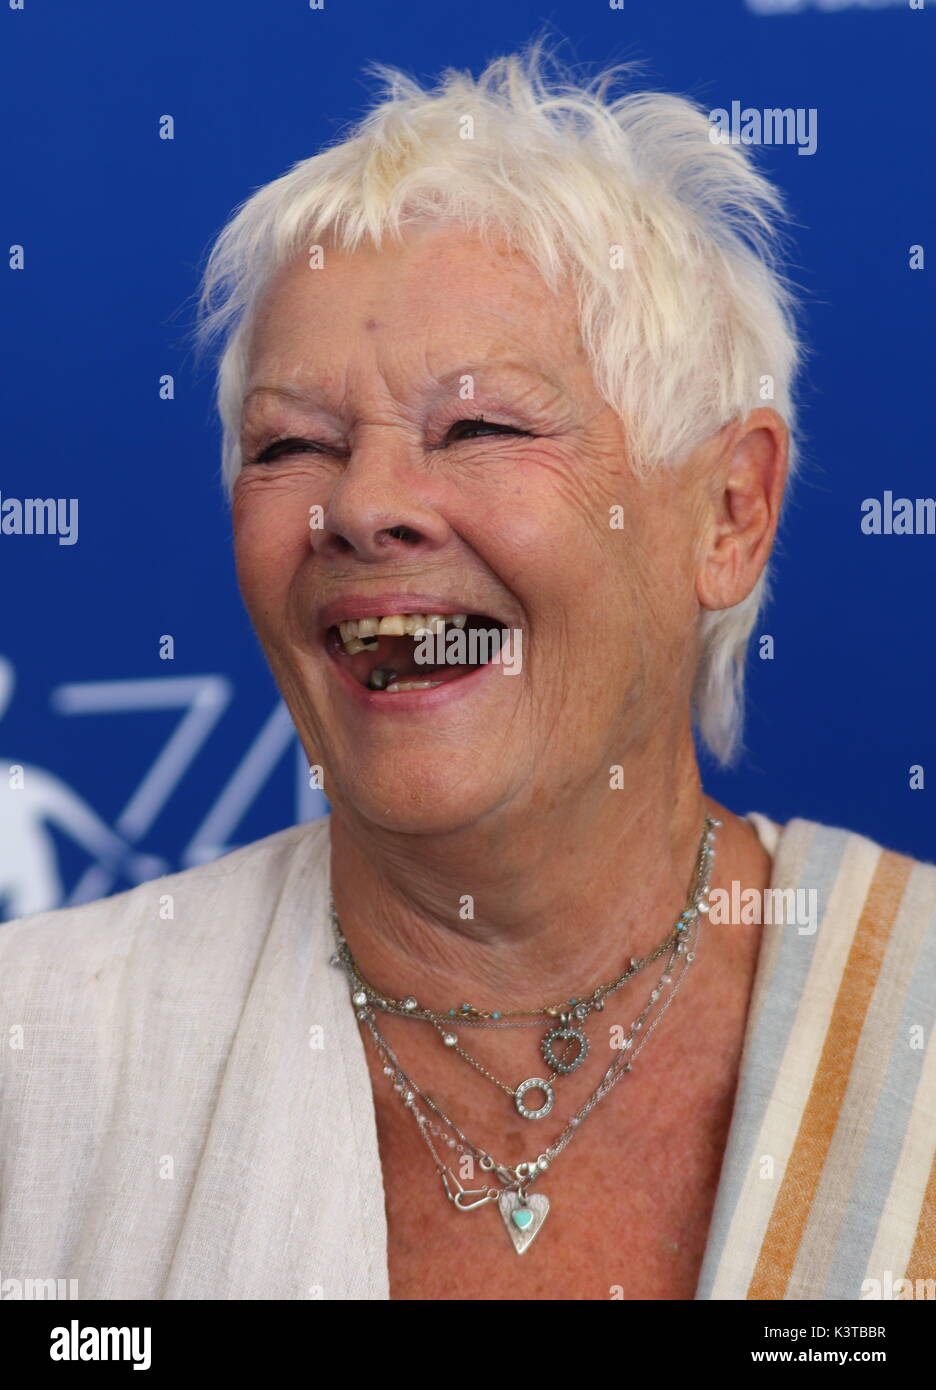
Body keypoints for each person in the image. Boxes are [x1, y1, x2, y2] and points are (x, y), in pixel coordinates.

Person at [1, 42, 933, 1302]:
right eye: (291, 443)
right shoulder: (43, 1055)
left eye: (481, 426)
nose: (366, 506)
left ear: (729, 511)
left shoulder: (908, 1003)